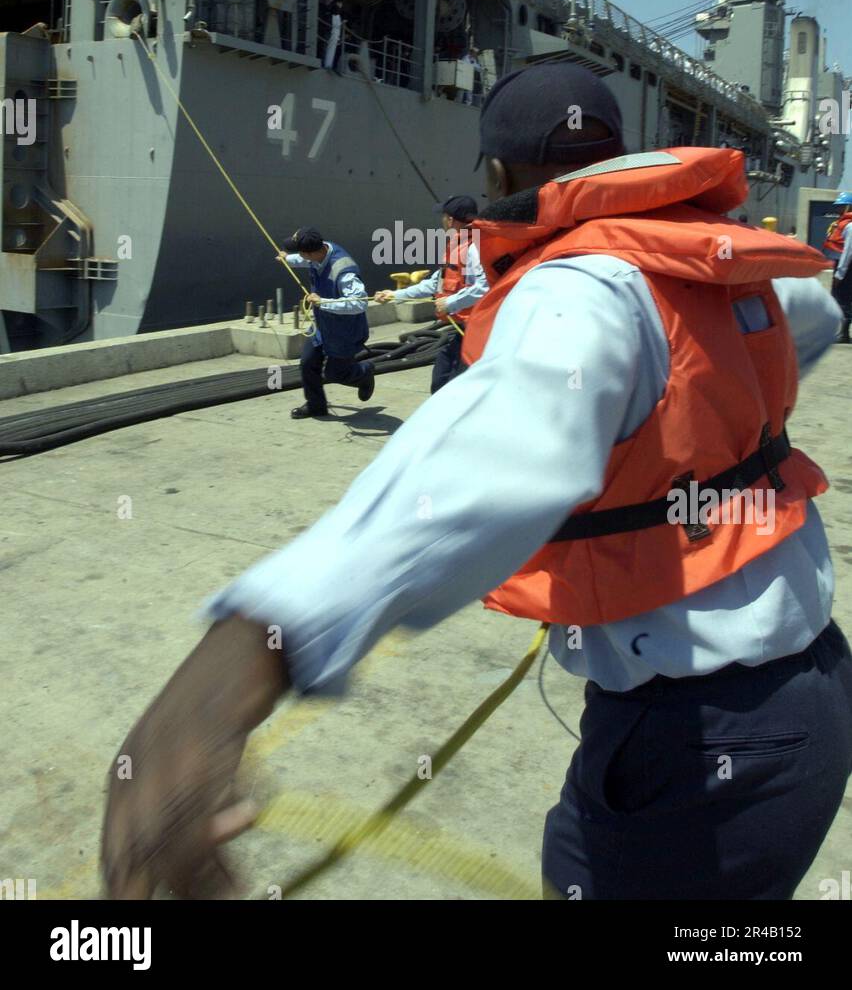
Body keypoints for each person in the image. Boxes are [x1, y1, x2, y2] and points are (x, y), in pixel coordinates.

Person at [101, 61, 852, 902]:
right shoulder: (726, 262)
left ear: (496, 175)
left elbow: (489, 458)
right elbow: (811, 321)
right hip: (803, 701)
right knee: (577, 855)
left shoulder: (584, 285)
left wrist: (238, 663)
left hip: (706, 732)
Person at [375, 195, 488, 392]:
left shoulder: (474, 248)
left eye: (443, 217)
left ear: (450, 220)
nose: (442, 221)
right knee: (441, 379)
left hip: (477, 332)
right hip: (462, 331)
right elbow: (434, 284)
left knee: (455, 387)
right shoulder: (457, 246)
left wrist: (449, 303)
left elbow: (483, 286)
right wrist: (395, 295)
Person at [280, 227, 375, 419]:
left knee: (335, 374)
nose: (298, 255)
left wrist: (323, 302)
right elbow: (305, 260)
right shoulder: (320, 252)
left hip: (344, 331)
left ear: (310, 252)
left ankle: (364, 373)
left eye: (299, 252)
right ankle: (316, 406)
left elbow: (359, 303)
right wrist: (287, 259)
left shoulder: (344, 271)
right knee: (307, 363)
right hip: (323, 325)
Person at [825, 193, 852, 344]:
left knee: (844, 299)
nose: (839, 209)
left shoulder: (850, 225)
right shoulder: (841, 223)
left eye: (842, 206)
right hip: (842, 265)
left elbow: (849, 251)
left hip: (847, 268)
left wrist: (840, 274)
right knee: (840, 298)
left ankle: (844, 333)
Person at [321, 0, 345, 71]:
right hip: (331, 32)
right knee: (328, 49)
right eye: (339, 3)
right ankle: (327, 64)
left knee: (331, 50)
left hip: (335, 34)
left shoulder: (336, 13)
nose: (340, 4)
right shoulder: (332, 11)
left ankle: (329, 65)